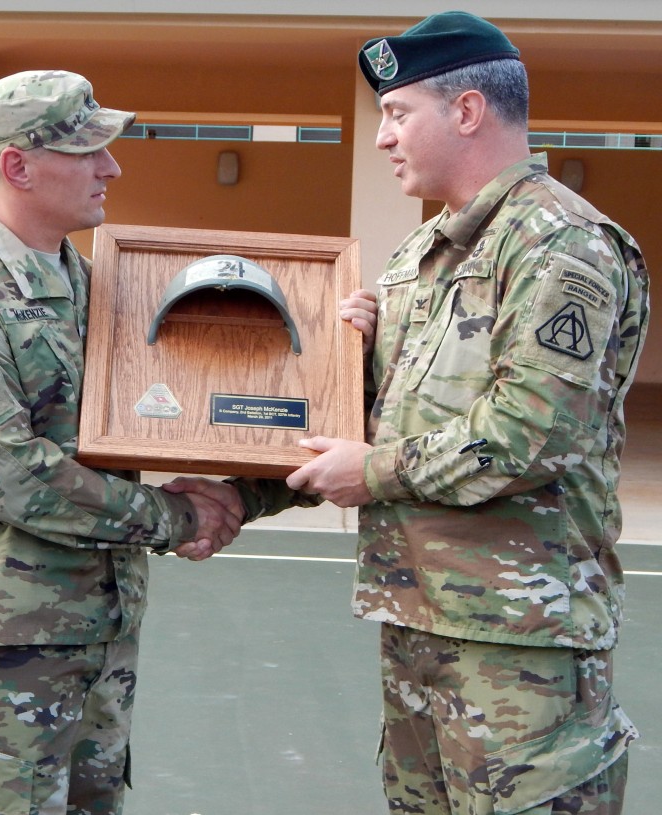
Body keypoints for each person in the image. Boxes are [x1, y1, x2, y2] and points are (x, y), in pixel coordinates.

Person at [0, 69, 316, 814]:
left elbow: (195, 405)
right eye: (87, 151)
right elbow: (14, 475)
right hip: (5, 651)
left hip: (100, 632)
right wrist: (176, 517)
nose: (111, 166)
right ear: (18, 165)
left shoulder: (104, 287)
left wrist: (259, 473)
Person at [284, 12, 649, 814]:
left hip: (522, 641)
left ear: (468, 110)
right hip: (419, 618)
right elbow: (393, 413)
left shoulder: (561, 245)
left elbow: (530, 435)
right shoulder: (419, 257)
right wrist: (354, 365)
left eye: (396, 112)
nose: (383, 136)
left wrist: (369, 471)